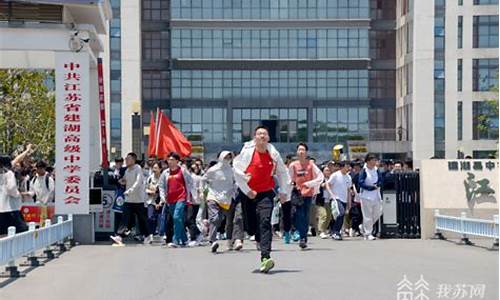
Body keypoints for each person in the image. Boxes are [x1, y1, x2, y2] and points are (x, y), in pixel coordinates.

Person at [233, 126, 291, 273]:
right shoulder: (247, 153)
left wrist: (284, 192)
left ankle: (265, 257)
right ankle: (256, 235)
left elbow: (283, 173)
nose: (262, 136)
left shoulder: (273, 153)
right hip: (249, 193)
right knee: (251, 227)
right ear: (255, 138)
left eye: (265, 134)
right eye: (259, 134)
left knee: (265, 222)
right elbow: (237, 172)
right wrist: (247, 190)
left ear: (268, 138)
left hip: (266, 192)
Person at [203, 151, 244, 253]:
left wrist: (244, 178)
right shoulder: (213, 170)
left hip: (227, 198)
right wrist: (202, 190)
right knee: (215, 218)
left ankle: (233, 240)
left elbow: (238, 179)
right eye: (225, 157)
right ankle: (212, 240)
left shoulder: (232, 170)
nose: (227, 159)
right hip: (213, 196)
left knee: (231, 219)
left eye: (229, 157)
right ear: (220, 158)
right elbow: (203, 179)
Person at [288, 143, 323, 249]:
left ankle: (303, 237)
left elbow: (320, 177)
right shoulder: (293, 165)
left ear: (306, 152)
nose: (301, 152)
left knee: (306, 215)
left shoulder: (311, 165)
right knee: (299, 215)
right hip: (297, 194)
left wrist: (309, 184)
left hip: (308, 193)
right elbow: (289, 180)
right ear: (297, 152)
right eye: (299, 150)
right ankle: (302, 237)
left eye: (303, 150)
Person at [110, 153, 150, 246]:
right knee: (125, 218)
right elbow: (125, 179)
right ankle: (119, 236)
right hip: (129, 199)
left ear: (133, 160)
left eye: (128, 159)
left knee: (142, 219)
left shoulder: (138, 169)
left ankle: (147, 235)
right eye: (126, 159)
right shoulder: (127, 170)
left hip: (138, 199)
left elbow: (138, 182)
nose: (126, 161)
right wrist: (122, 181)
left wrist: (130, 190)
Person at [158, 152, 194, 248]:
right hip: (170, 199)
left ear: (177, 161)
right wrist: (162, 197)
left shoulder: (183, 171)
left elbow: (190, 182)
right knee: (178, 220)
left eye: (172, 160)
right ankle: (185, 239)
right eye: (169, 160)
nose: (170, 162)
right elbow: (161, 185)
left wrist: (190, 195)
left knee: (176, 217)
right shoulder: (165, 173)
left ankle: (176, 240)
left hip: (181, 197)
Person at [0, 156, 28, 235]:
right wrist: (17, 194)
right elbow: (11, 188)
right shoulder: (9, 173)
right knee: (20, 232)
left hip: (1, 209)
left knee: (3, 235)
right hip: (10, 209)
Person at [358, 154, 383, 241]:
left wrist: (378, 185)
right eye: (373, 160)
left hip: (376, 195)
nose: (374, 162)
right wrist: (370, 187)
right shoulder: (364, 171)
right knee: (367, 215)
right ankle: (368, 233)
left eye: (375, 160)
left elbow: (380, 179)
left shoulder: (376, 170)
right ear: (368, 161)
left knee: (378, 212)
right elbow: (360, 183)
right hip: (366, 196)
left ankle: (363, 226)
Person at [326, 161, 352, 240]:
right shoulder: (335, 175)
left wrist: (349, 202)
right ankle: (335, 231)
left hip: (344, 199)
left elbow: (348, 190)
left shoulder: (348, 177)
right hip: (336, 198)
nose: (348, 168)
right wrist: (332, 194)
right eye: (346, 166)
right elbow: (328, 184)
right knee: (341, 213)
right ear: (342, 167)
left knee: (341, 215)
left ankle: (336, 232)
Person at [186, 163, 204, 247]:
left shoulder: (197, 178)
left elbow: (200, 188)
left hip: (194, 201)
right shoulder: (183, 178)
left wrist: (200, 194)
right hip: (185, 200)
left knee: (190, 219)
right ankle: (198, 233)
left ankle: (194, 237)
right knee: (187, 220)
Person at [144, 161, 162, 243]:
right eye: (153, 168)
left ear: (160, 169)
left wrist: (160, 201)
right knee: (150, 217)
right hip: (151, 201)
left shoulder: (162, 178)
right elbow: (145, 188)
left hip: (160, 201)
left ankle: (160, 234)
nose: (154, 170)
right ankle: (151, 234)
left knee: (160, 218)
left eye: (156, 168)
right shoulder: (150, 178)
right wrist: (150, 192)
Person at [317, 166, 332, 239]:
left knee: (329, 217)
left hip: (328, 200)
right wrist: (326, 184)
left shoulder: (331, 178)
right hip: (320, 201)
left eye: (329, 170)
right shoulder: (320, 179)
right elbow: (321, 185)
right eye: (326, 170)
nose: (328, 172)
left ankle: (324, 229)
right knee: (323, 215)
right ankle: (321, 231)